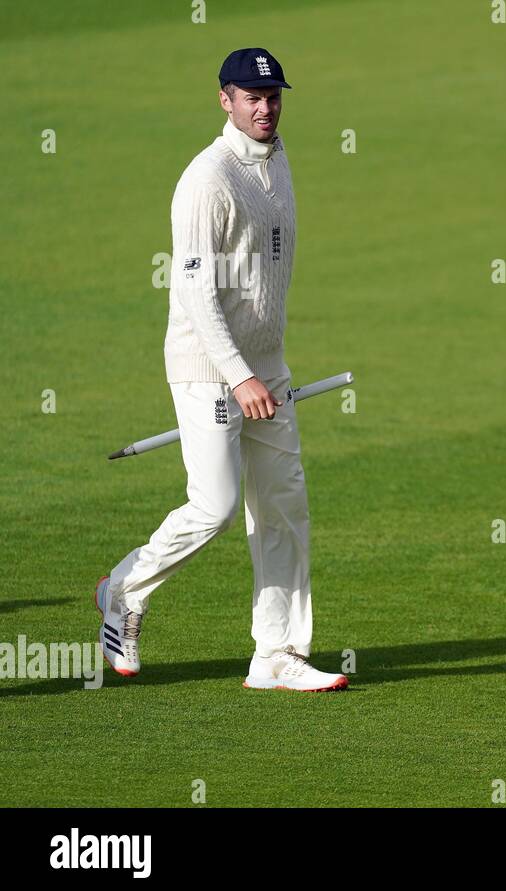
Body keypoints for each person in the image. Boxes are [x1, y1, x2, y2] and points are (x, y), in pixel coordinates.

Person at [94, 48, 347, 692]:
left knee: (284, 506)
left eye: (273, 96)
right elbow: (195, 293)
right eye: (251, 97)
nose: (265, 108)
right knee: (215, 506)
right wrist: (239, 375)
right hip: (210, 368)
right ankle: (123, 589)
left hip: (267, 369)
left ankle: (278, 654)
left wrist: (266, 367)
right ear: (225, 99)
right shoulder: (207, 179)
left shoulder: (278, 157)